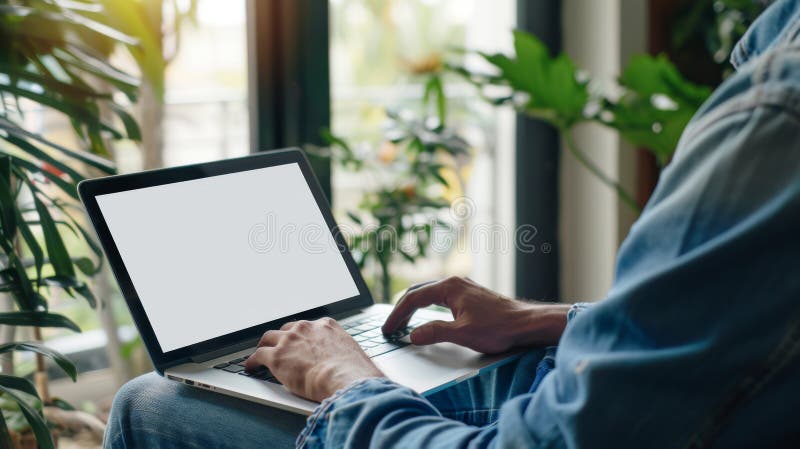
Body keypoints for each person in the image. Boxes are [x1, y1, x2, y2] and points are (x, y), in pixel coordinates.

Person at [104, 1, 800, 447]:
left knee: (148, 403)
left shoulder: (773, 124)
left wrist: (346, 380)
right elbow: (741, 332)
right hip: (584, 385)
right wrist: (545, 319)